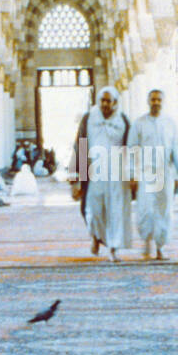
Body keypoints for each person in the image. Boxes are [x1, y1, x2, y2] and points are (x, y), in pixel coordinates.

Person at [71, 85, 133, 261]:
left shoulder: (123, 121)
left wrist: (132, 173)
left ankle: (113, 248)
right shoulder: (88, 118)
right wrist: (76, 175)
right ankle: (96, 236)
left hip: (116, 173)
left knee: (114, 211)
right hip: (94, 172)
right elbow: (80, 145)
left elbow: (131, 146)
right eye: (102, 100)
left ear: (115, 103)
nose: (105, 104)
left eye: (109, 101)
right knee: (92, 210)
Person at [130, 89, 178, 259]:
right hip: (145, 172)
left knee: (164, 210)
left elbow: (176, 150)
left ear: (163, 101)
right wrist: (132, 174)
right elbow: (131, 149)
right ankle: (146, 243)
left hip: (165, 172)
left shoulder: (170, 123)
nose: (156, 102)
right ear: (148, 101)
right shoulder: (139, 123)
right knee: (145, 209)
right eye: (153, 99)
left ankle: (160, 247)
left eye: (159, 99)